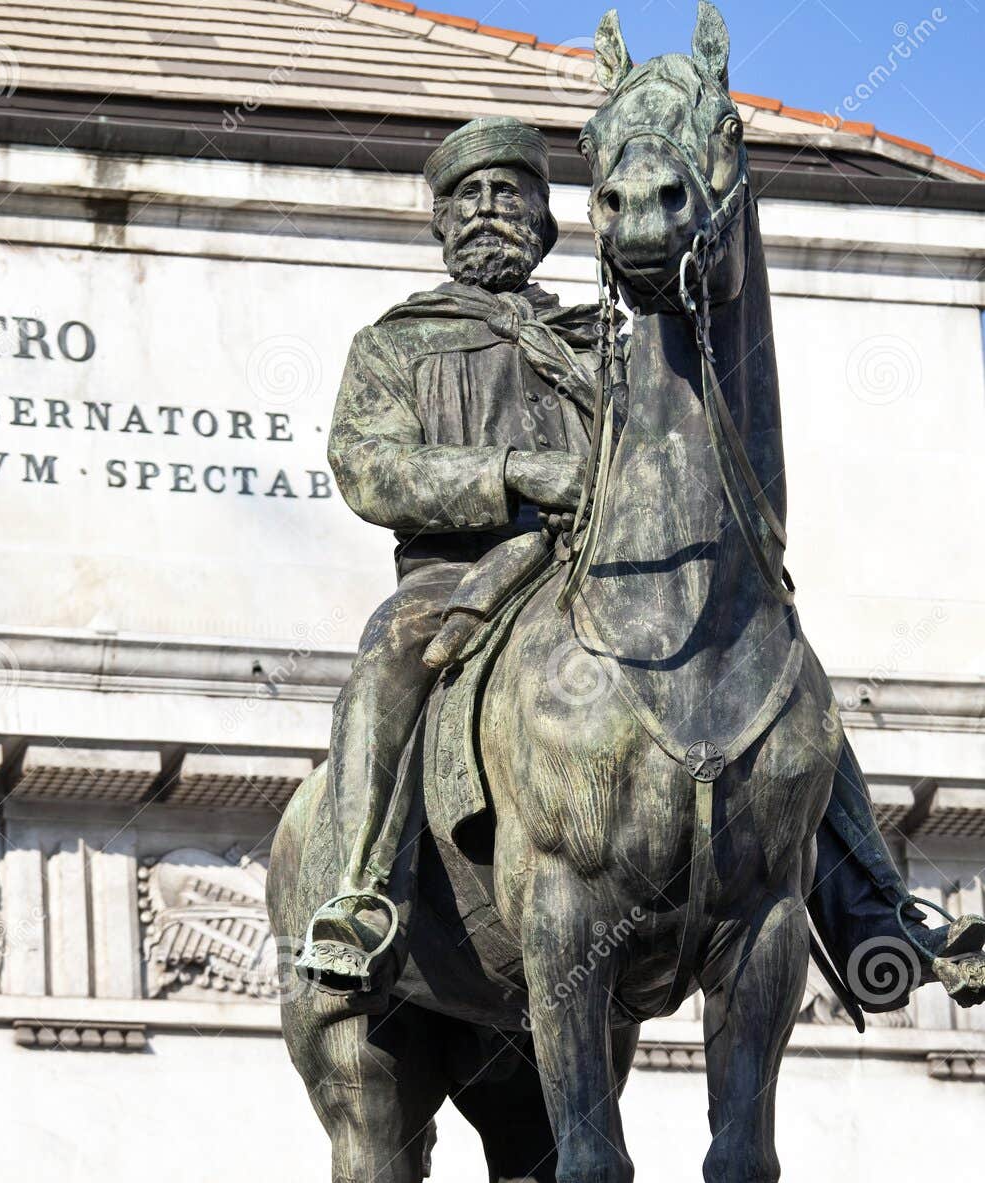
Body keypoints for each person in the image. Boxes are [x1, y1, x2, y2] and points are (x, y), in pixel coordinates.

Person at [296, 117, 984, 1016]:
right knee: (389, 654)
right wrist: (513, 473)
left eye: (512, 194)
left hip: (598, 572)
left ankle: (874, 916)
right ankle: (362, 896)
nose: (488, 211)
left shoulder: (601, 344)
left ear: (549, 224)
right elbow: (369, 467)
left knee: (777, 667)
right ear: (438, 223)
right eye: (467, 196)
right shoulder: (397, 345)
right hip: (456, 575)